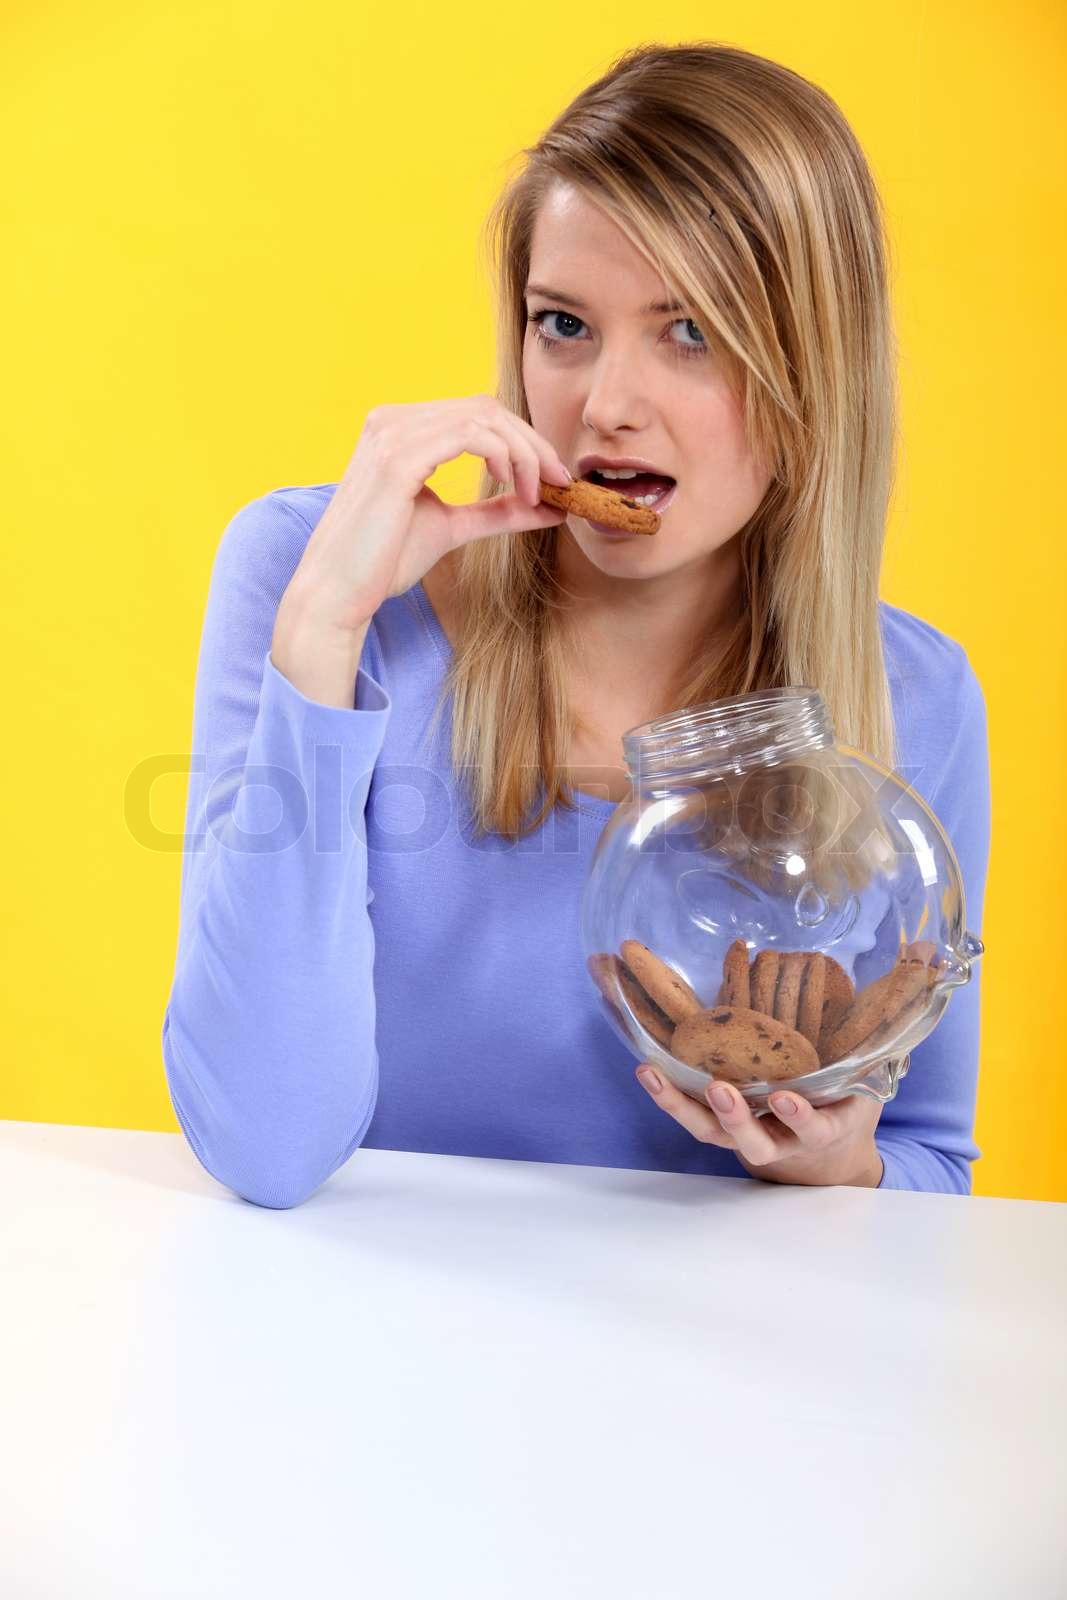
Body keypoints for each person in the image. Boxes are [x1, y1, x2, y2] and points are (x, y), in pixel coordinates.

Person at [161, 42, 990, 1208]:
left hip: (709, 1362)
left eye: (690, 331)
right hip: (358, 1351)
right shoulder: (318, 579)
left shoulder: (915, 697)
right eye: (563, 324)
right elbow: (264, 1143)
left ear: (815, 371)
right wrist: (321, 634)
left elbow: (928, 1170)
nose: (604, 406)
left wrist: (836, 1165)